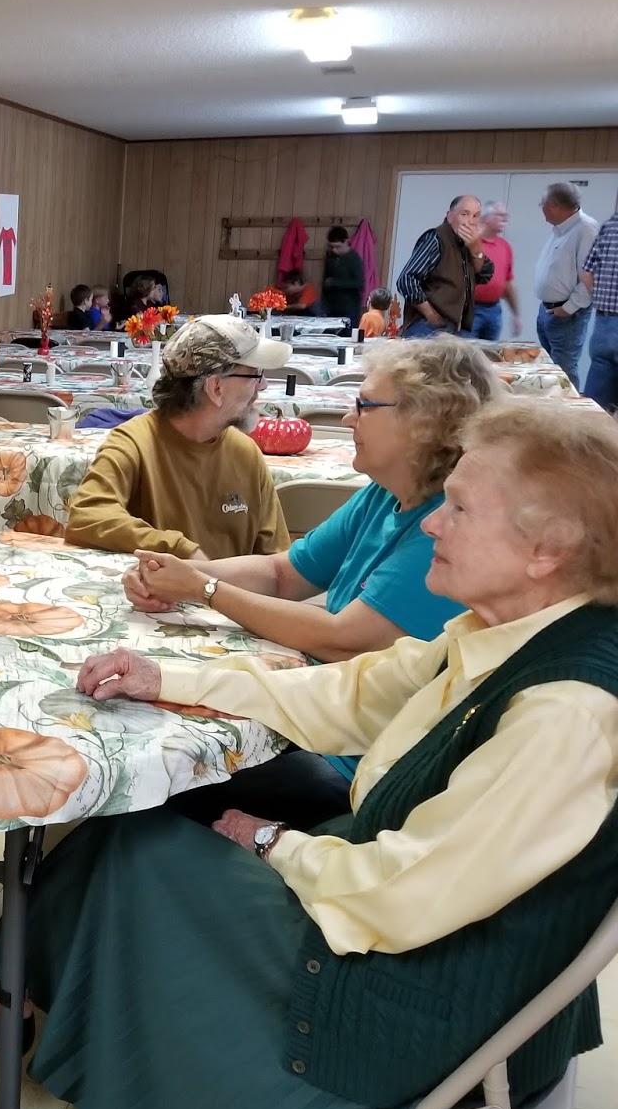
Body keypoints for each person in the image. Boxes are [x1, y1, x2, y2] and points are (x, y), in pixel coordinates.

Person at [0, 398, 618, 1109]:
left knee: (140, 851)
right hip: (403, 910)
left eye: (462, 509)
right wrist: (169, 679)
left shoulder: (565, 709)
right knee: (133, 834)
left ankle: (91, 1051)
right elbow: (347, 694)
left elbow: (403, 897)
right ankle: (20, 995)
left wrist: (273, 844)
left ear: (549, 549)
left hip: (425, 995)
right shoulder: (506, 627)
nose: (434, 522)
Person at [121, 339, 497, 826]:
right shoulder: (384, 495)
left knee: (157, 769)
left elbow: (341, 639)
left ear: (424, 422)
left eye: (363, 406)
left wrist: (203, 590)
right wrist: (178, 575)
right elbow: (284, 574)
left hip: (351, 760)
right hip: (315, 712)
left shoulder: (445, 535)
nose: (347, 419)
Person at [64, 315, 292, 559]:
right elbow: (87, 517)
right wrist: (178, 548)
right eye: (255, 374)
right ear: (216, 388)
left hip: (228, 595)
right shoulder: (133, 443)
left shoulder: (246, 453)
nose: (264, 385)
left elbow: (276, 560)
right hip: (156, 595)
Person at [397, 194, 494, 337]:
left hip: (457, 328)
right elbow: (406, 280)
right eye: (465, 214)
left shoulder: (469, 245)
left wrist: (476, 250)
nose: (471, 222)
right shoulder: (436, 238)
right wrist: (430, 314)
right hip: (427, 327)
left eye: (476, 216)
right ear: (449, 216)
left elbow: (485, 274)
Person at [533, 181, 600, 385]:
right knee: (551, 368)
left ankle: (566, 415)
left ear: (553, 205)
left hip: (567, 314)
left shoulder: (586, 229)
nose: (540, 207)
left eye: (542, 203)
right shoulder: (561, 229)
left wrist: (569, 308)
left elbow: (592, 276)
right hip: (549, 310)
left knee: (564, 370)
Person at [579, 201, 618, 413]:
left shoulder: (610, 225)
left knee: (597, 410)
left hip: (604, 324)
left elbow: (586, 273)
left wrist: (601, 298)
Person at [473, 200, 520, 343]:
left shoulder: (505, 247)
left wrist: (516, 314)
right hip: (471, 309)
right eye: (500, 215)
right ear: (485, 218)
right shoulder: (471, 243)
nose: (505, 219)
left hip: (494, 310)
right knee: (467, 355)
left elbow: (507, 284)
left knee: (490, 355)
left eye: (506, 216)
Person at [320, 225, 364, 323]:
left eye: (337, 247)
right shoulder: (330, 257)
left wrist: (335, 283)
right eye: (332, 247)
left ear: (346, 241)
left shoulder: (354, 259)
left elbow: (359, 283)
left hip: (349, 309)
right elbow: (325, 281)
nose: (334, 250)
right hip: (331, 308)